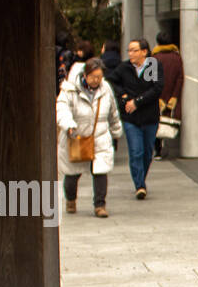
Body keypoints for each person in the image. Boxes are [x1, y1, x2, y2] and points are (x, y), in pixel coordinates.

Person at [57, 57, 123, 218]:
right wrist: (69, 125)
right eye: (93, 77)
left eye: (99, 77)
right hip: (76, 137)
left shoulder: (105, 88)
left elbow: (113, 112)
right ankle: (70, 199)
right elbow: (61, 109)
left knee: (100, 171)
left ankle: (100, 205)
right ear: (85, 75)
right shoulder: (70, 90)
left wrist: (116, 131)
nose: (96, 80)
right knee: (72, 174)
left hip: (99, 136)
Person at [107, 37, 162, 199]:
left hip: (149, 116)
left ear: (144, 52)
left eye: (134, 50)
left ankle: (141, 178)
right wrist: (123, 97)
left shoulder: (152, 65)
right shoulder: (124, 68)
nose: (131, 53)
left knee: (147, 153)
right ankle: (139, 184)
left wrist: (137, 102)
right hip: (131, 118)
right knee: (135, 151)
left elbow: (156, 88)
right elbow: (111, 81)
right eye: (129, 50)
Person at [152, 30, 184, 159]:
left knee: (156, 123)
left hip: (157, 96)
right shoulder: (177, 58)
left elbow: (150, 80)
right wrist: (174, 96)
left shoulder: (153, 58)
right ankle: (169, 145)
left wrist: (157, 97)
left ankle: (158, 150)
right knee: (169, 121)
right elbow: (180, 78)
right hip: (172, 95)